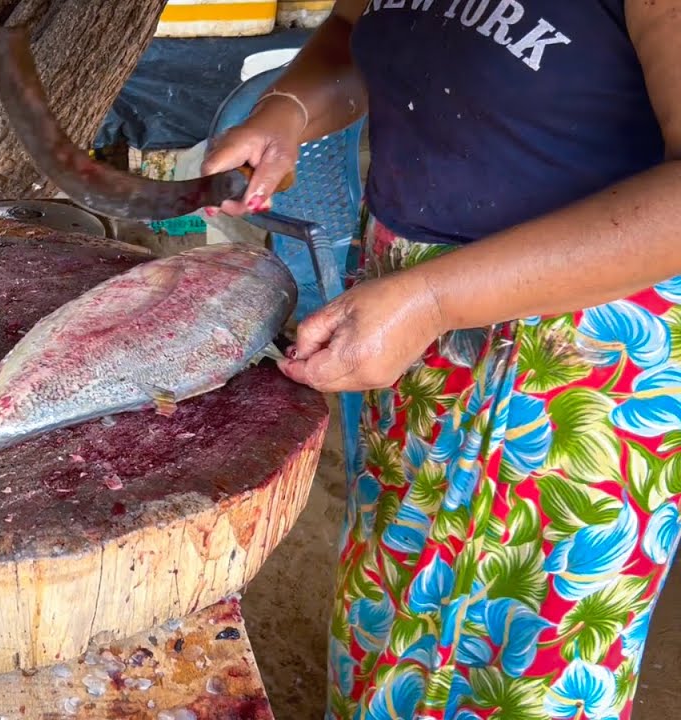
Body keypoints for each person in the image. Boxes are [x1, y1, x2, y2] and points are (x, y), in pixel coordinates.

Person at [202, 0, 681, 718]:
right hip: (415, 338)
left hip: (581, 364)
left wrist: (430, 302)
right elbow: (351, 34)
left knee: (514, 659)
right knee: (394, 604)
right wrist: (288, 112)